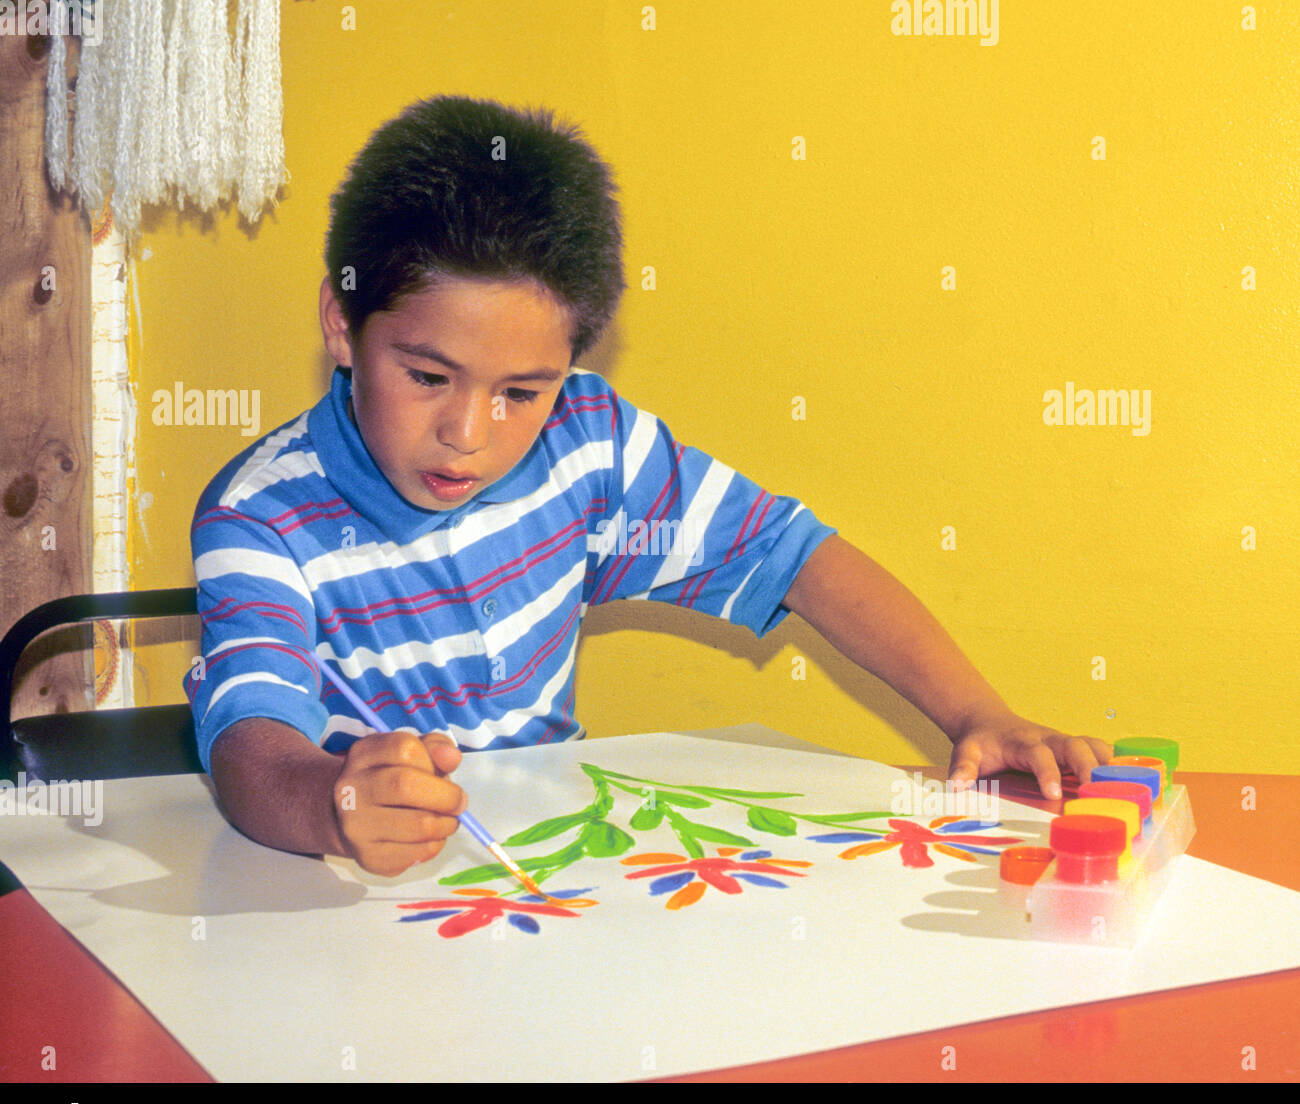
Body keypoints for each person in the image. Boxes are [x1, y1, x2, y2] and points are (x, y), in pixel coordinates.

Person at [189, 95, 1109, 878]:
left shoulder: (589, 443)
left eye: (520, 391)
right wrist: (333, 801)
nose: (469, 434)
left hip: (542, 881)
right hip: (341, 920)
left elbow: (798, 559)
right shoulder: (262, 515)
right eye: (428, 376)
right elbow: (252, 750)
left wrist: (978, 711)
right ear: (341, 324)